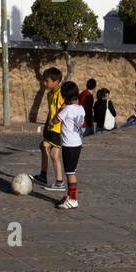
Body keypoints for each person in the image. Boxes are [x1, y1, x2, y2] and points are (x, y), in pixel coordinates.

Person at [55, 81, 85, 209]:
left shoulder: (66, 110)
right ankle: (70, 196)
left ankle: (73, 199)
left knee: (70, 172)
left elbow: (55, 120)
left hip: (69, 145)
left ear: (65, 97)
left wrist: (60, 109)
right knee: (72, 170)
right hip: (78, 143)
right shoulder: (81, 108)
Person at [34, 67, 65, 191]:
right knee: (43, 145)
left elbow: (65, 109)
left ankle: (59, 182)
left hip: (58, 129)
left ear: (56, 81)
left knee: (54, 154)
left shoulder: (61, 94)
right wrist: (46, 125)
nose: (44, 83)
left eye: (47, 81)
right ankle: (43, 176)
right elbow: (50, 111)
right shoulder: (49, 94)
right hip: (52, 128)